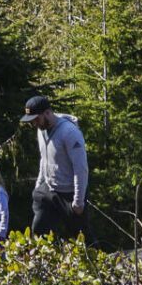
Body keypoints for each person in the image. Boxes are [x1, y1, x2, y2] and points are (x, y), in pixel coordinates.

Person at [20, 95, 89, 239]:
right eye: (31, 121)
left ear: (47, 113)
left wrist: (78, 201)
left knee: (81, 237)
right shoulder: (41, 130)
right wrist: (39, 185)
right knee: (39, 231)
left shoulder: (69, 132)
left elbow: (80, 168)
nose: (34, 124)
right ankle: (42, 260)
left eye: (36, 119)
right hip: (49, 189)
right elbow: (44, 159)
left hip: (69, 193)